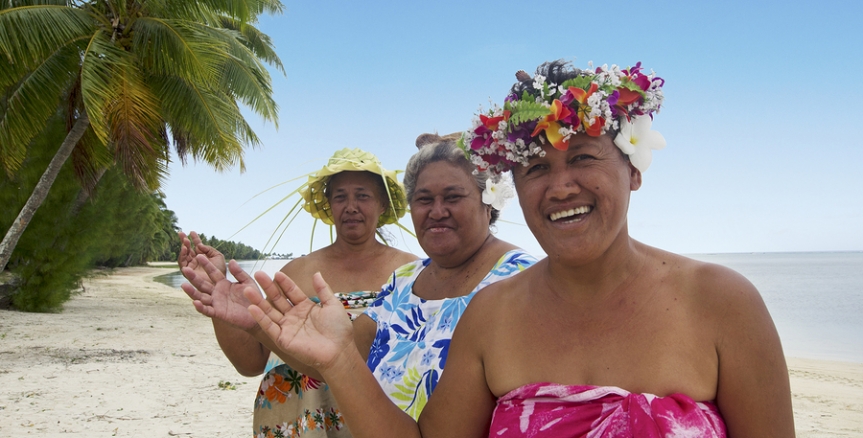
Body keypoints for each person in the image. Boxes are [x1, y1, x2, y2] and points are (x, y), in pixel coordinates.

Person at [246, 61, 796, 437]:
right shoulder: (494, 314)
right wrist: (341, 361)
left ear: (633, 170)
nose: (559, 187)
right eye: (535, 167)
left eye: (582, 157)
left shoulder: (722, 304)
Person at [184, 137, 536, 433]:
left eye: (453, 196)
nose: (436, 210)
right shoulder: (405, 281)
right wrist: (254, 323)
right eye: (424, 199)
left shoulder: (520, 281)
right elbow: (343, 359)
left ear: (489, 202)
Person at [178, 148, 418, 437]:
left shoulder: (410, 272)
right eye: (340, 196)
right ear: (329, 205)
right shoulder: (297, 273)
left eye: (363, 195)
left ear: (382, 204)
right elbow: (251, 363)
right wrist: (221, 300)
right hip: (301, 422)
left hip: (383, 421)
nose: (351, 206)